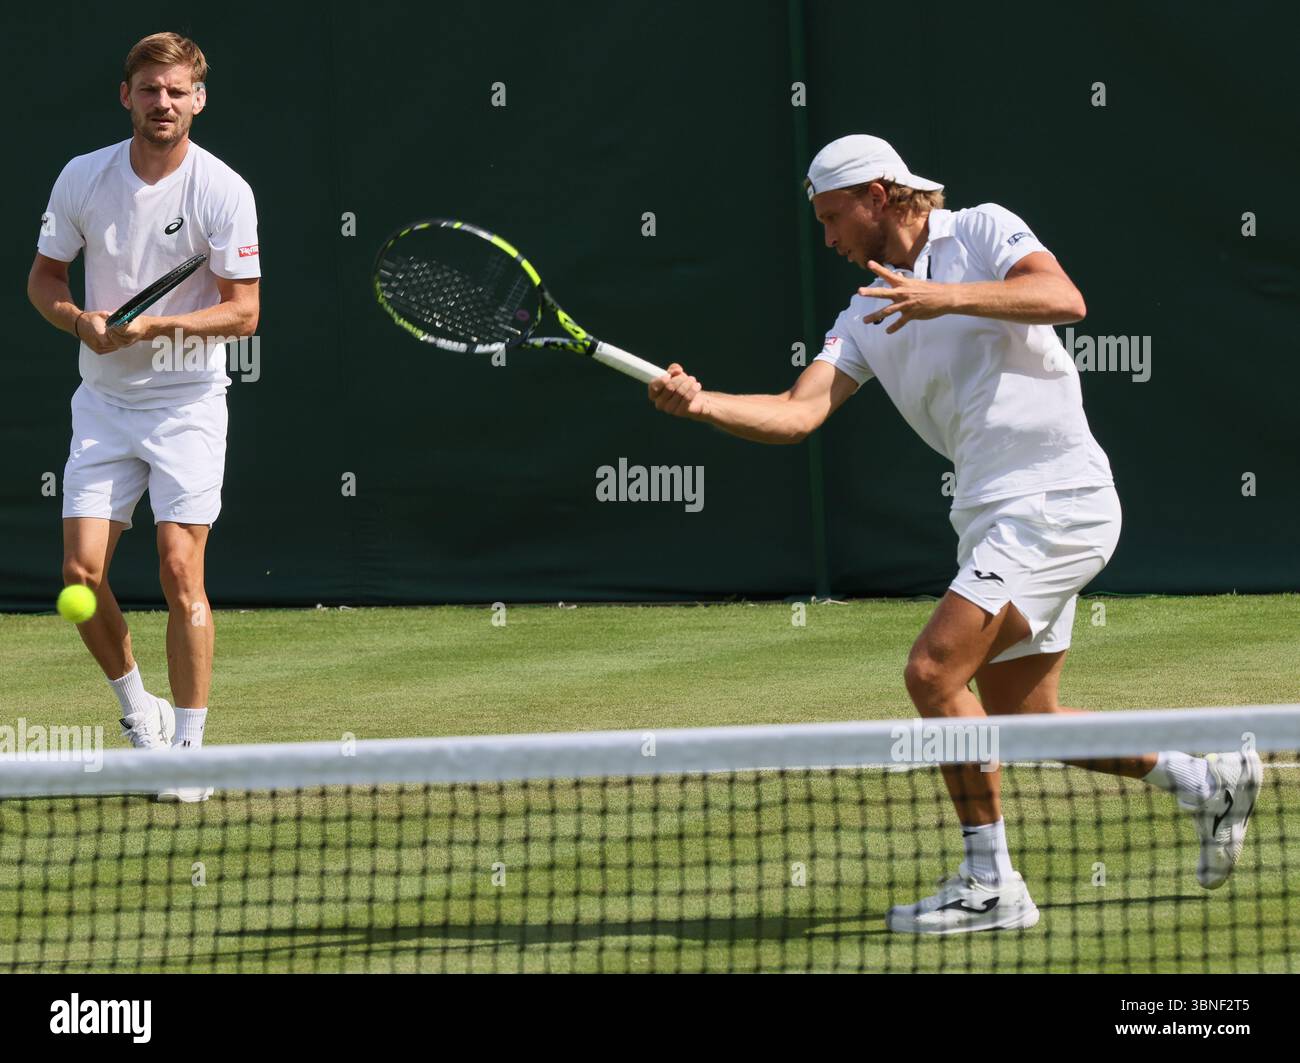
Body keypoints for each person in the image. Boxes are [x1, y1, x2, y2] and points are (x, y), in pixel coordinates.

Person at [648, 134, 1261, 933]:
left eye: (834, 217)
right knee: (1025, 715)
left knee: (933, 673)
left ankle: (990, 883)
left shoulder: (979, 231)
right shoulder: (865, 313)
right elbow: (797, 414)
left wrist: (948, 296)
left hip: (1054, 498)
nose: (829, 239)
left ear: (879, 193)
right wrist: (703, 406)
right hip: (990, 512)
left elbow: (1065, 299)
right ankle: (1207, 785)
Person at [27, 32, 260, 801]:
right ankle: (141, 713)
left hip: (187, 402)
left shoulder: (222, 188)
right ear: (125, 95)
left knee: (178, 568)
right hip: (103, 402)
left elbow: (245, 313)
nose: (163, 103)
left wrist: (159, 326)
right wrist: (77, 321)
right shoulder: (82, 177)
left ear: (198, 99)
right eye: (149, 89)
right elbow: (45, 278)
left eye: (177, 91)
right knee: (81, 578)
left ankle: (188, 755)